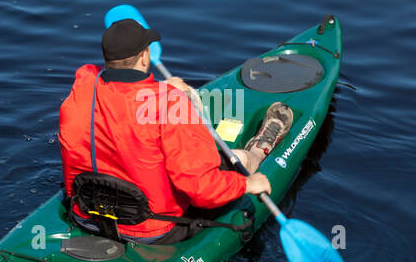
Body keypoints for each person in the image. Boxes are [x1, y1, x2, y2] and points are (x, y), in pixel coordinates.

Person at [59, 19, 293, 243]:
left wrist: (159, 89)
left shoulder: (81, 91)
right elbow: (201, 188)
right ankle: (259, 150)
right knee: (237, 159)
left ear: (106, 58)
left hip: (87, 215)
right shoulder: (170, 105)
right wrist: (247, 185)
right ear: (144, 57)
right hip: (154, 228)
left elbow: (119, 102)